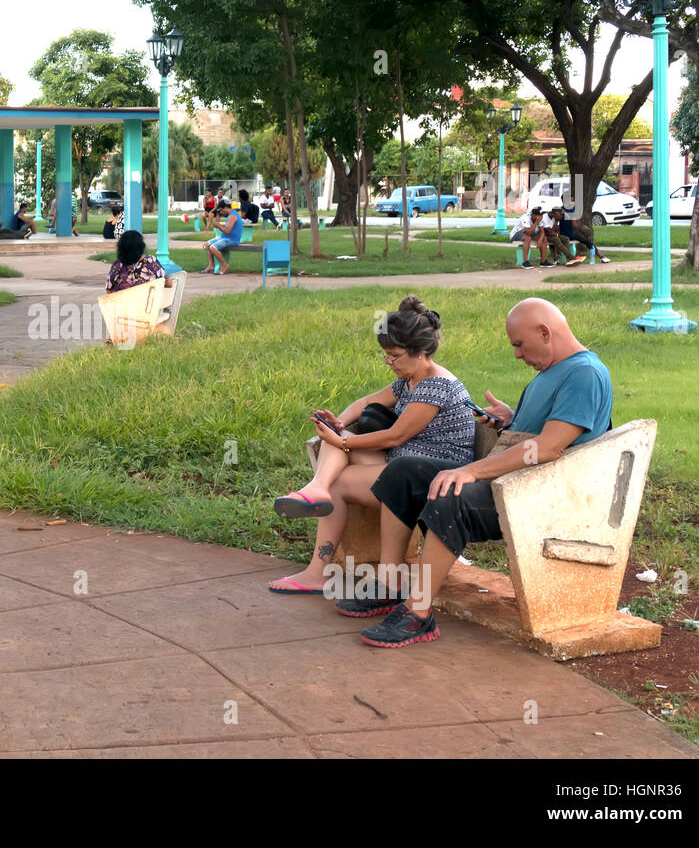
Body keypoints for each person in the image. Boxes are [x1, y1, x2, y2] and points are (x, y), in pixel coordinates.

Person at [340, 298, 613, 649]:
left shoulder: (584, 374)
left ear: (544, 332)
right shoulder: (555, 371)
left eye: (519, 344)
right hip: (512, 482)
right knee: (403, 472)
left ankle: (418, 613)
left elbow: (549, 447)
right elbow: (545, 431)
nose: (517, 354)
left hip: (538, 496)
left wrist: (470, 470)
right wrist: (511, 419)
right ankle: (391, 585)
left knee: (450, 493)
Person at [268, 297, 476, 594]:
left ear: (420, 352)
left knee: (339, 480)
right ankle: (317, 488)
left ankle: (318, 568)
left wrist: (343, 440)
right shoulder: (410, 380)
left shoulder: (436, 385)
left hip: (429, 479)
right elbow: (367, 402)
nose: (388, 363)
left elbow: (395, 437)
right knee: (337, 443)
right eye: (385, 356)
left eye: (393, 356)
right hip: (404, 466)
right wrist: (338, 423)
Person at [106, 230, 172, 294]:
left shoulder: (117, 265)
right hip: (147, 304)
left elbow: (109, 290)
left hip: (122, 304)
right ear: (141, 246)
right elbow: (169, 283)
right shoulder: (151, 261)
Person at [201, 191, 245, 274]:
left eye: (221, 210)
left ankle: (224, 265)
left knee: (213, 247)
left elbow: (228, 231)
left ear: (225, 208)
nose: (220, 213)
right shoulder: (230, 215)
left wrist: (218, 226)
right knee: (206, 245)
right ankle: (211, 265)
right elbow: (227, 227)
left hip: (232, 239)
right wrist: (219, 224)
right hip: (225, 238)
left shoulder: (233, 215)